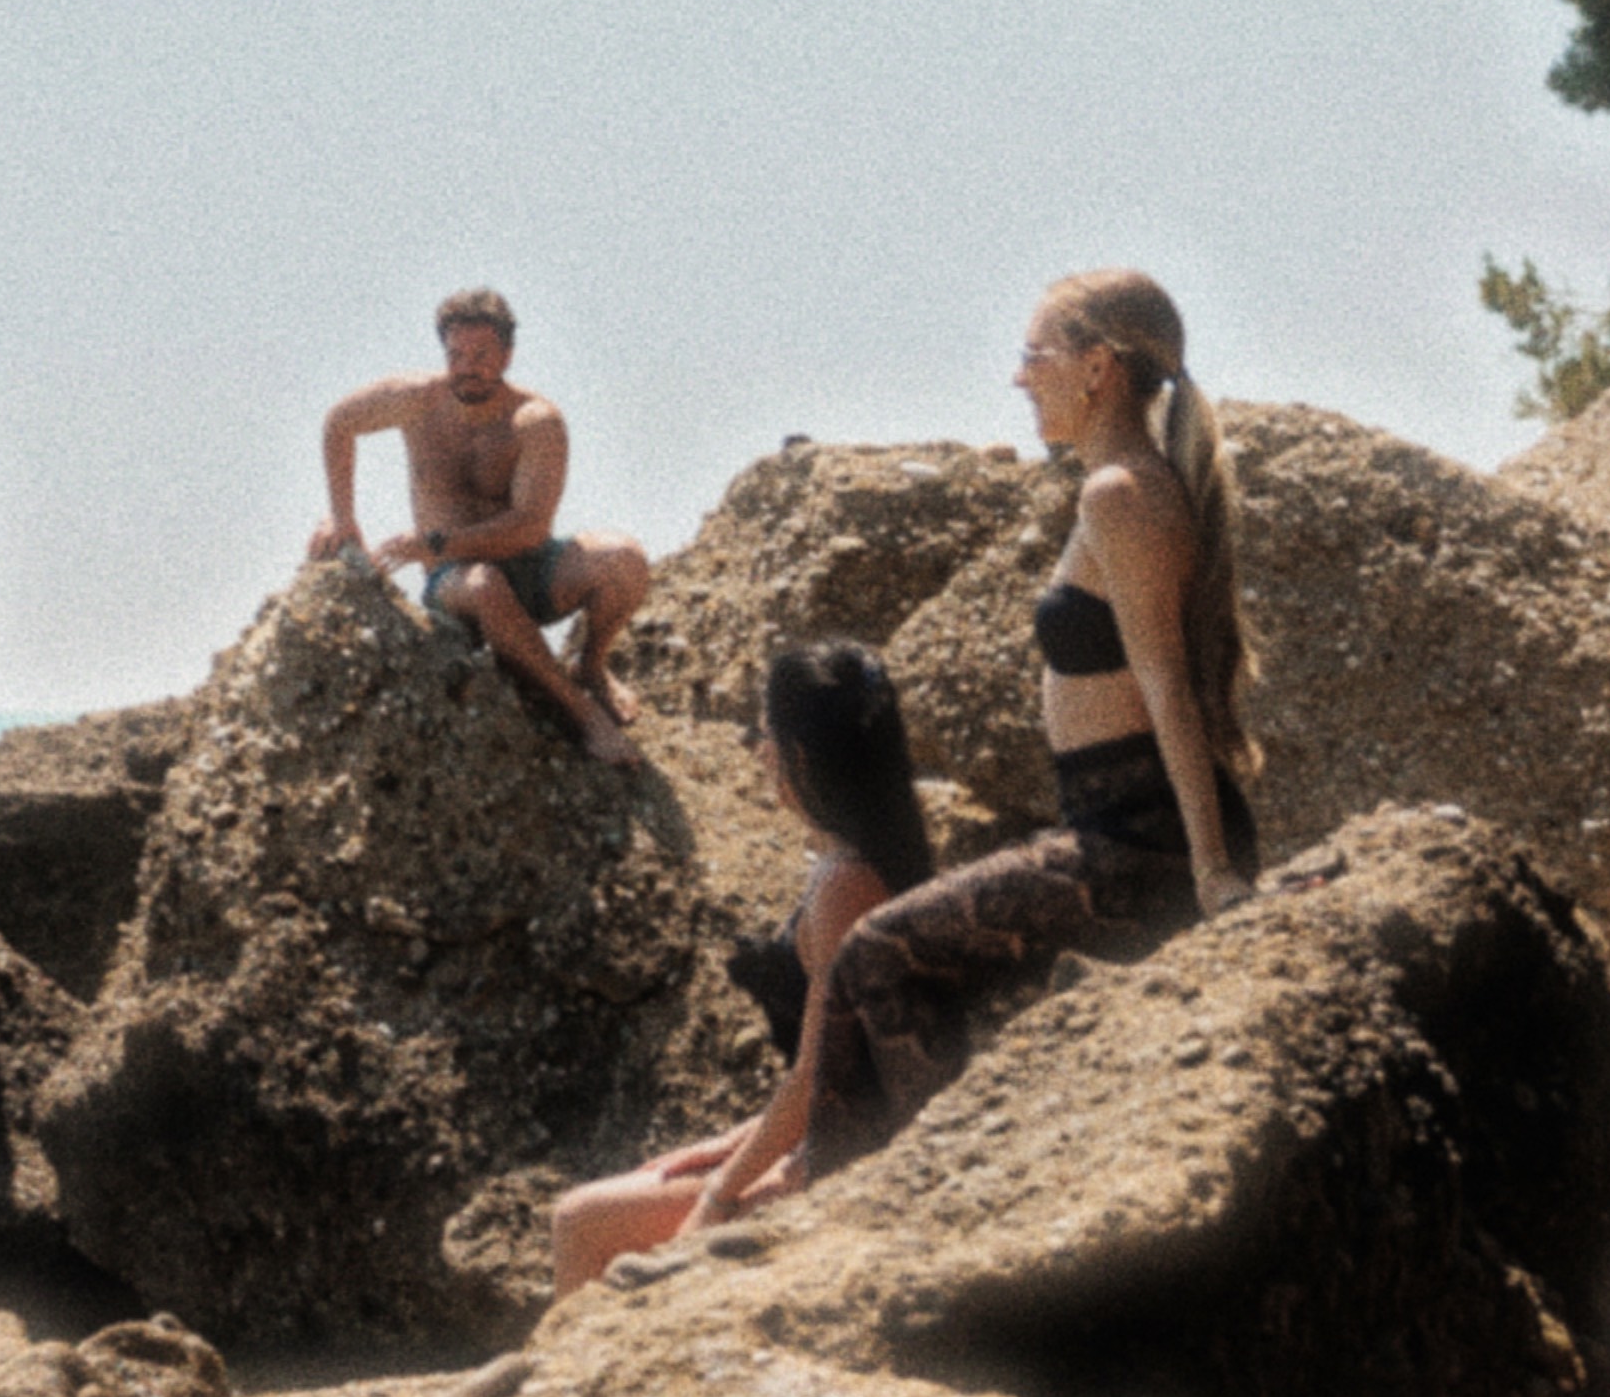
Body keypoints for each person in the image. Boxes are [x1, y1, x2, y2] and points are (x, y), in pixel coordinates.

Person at [818, 270, 1263, 1154]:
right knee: (885, 965)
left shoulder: (1121, 495)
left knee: (876, 954)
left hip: (1142, 843)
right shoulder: (1120, 487)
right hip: (1108, 827)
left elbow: (1168, 687)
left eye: (1035, 355)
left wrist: (1212, 870)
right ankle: (861, 1178)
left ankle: (924, 1182)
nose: (1019, 377)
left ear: (1098, 368)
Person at [495, 643, 938, 1330]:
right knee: (616, 1199)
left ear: (799, 754)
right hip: (832, 1139)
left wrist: (721, 1194)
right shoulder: (873, 860)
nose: (757, 750)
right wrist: (720, 1150)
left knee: (580, 1223)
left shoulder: (845, 886)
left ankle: (568, 1384)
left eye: (764, 733)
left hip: (840, 1160)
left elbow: (818, 1075)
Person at [309, 287, 656, 763]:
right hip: (455, 583)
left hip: (530, 570)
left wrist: (434, 541)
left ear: (507, 355)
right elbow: (339, 422)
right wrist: (344, 517)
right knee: (484, 583)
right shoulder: (417, 400)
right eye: (455, 355)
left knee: (624, 558)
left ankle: (592, 666)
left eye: (481, 355)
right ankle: (584, 715)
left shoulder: (535, 422)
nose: (466, 367)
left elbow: (530, 528)